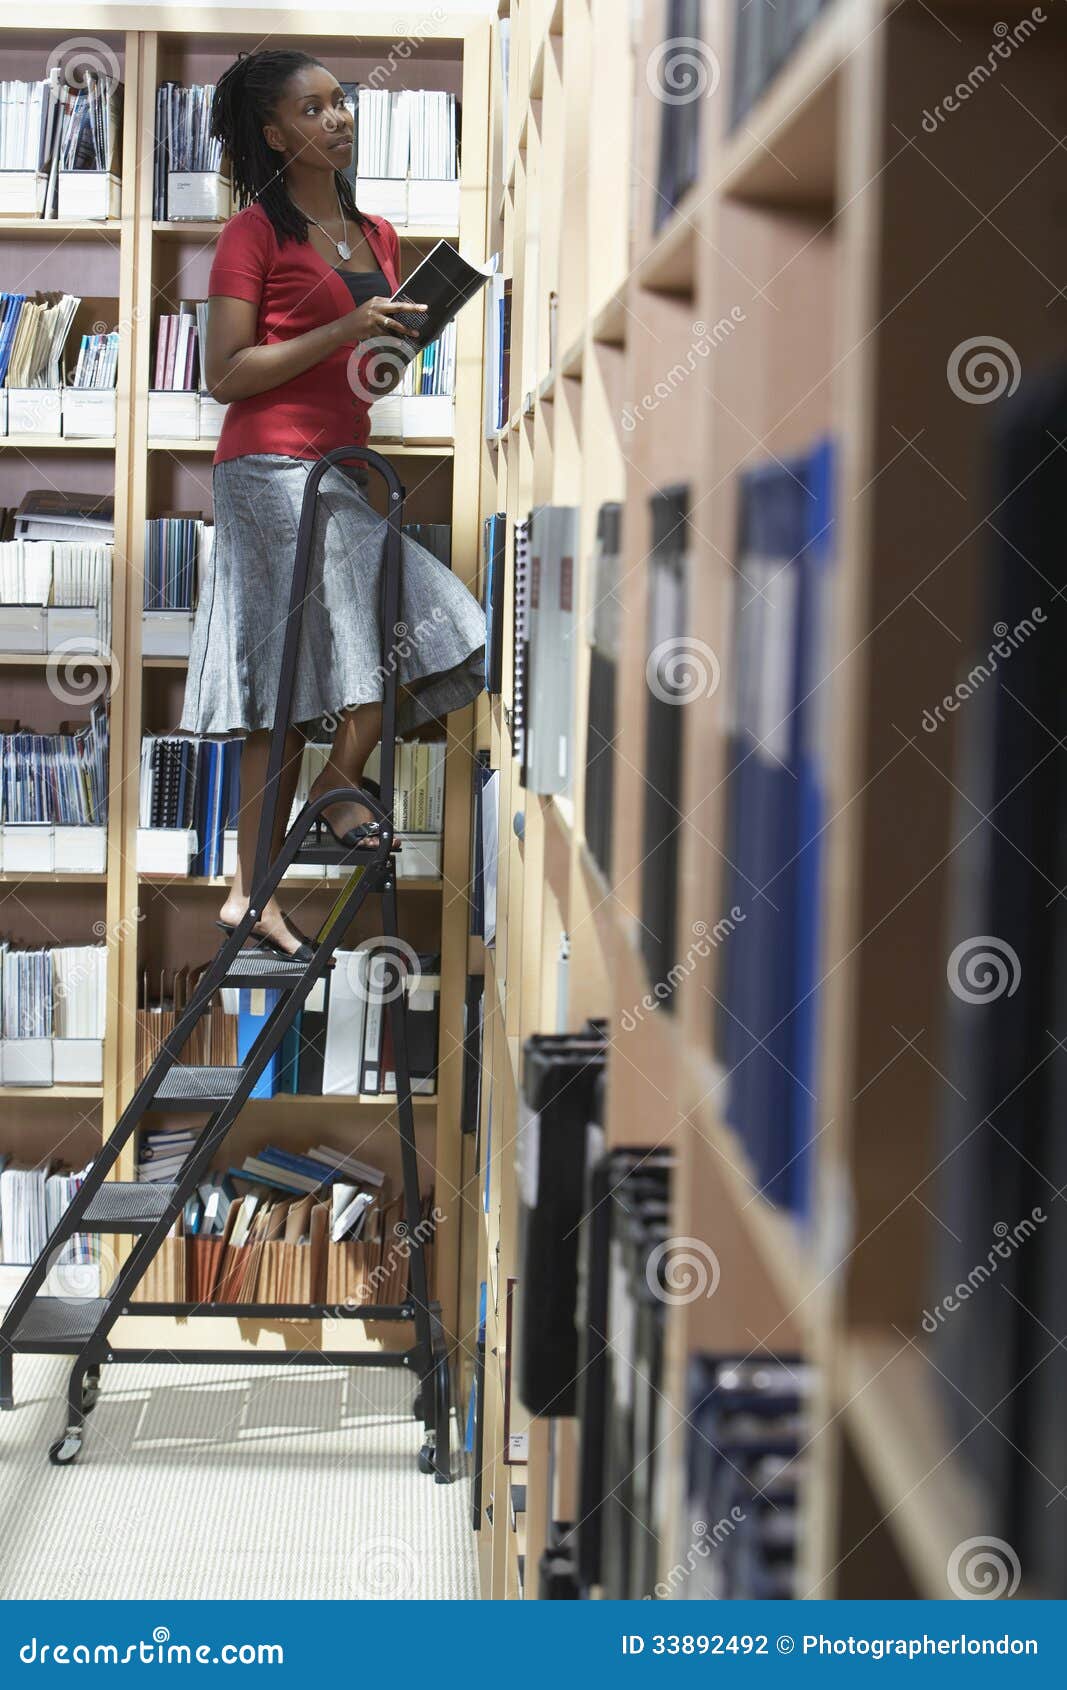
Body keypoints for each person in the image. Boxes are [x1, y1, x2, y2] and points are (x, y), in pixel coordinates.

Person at [176, 48, 485, 959]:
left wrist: (398, 337)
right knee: (282, 687)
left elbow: (363, 380)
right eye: (313, 110)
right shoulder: (252, 235)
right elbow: (225, 374)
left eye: (341, 102)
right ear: (275, 135)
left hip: (340, 468)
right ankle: (271, 866)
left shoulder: (379, 235)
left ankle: (268, 867)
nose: (338, 118)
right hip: (269, 475)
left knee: (402, 634)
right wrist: (350, 323)